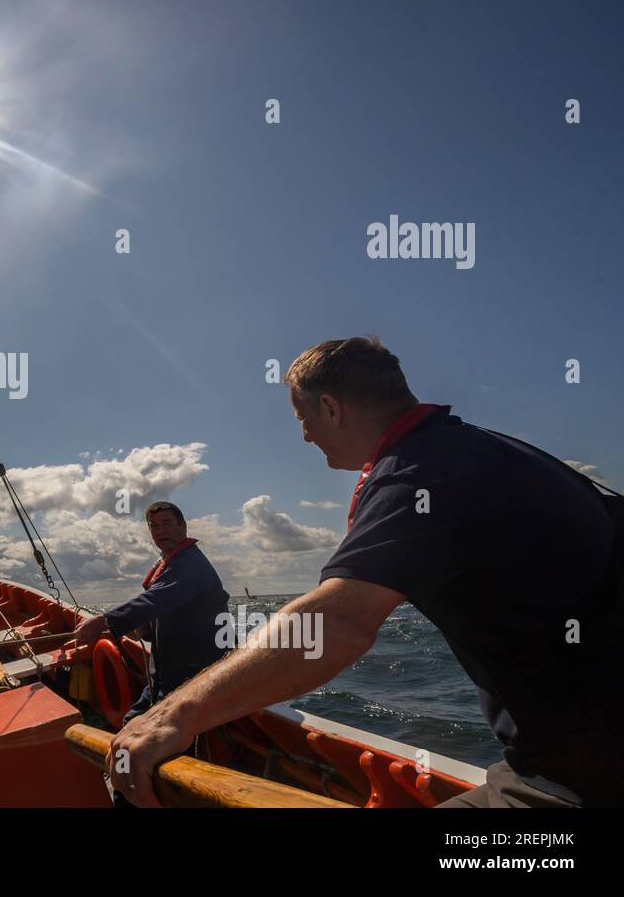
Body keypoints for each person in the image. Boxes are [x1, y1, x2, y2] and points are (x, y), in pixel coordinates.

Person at [109, 337, 623, 808]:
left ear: (330, 407)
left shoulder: (415, 474)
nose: (305, 436)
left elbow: (338, 623)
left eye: (301, 418)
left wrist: (173, 715)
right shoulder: (481, 449)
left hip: (578, 784)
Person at [76, 501, 228, 805]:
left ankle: (128, 796)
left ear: (183, 528)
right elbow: (168, 610)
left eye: (167, 524)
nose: (161, 532)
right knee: (128, 736)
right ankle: (127, 789)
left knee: (134, 744)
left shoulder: (189, 565)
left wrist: (107, 620)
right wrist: (144, 631)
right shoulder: (174, 564)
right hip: (166, 677)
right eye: (154, 527)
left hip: (189, 679)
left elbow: (157, 599)